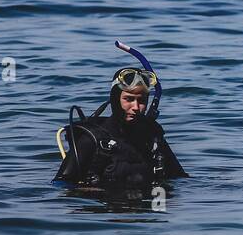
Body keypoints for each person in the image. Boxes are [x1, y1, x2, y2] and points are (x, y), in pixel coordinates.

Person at [54, 66, 187, 189]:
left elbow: (180, 178)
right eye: (128, 99)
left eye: (141, 101)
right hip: (105, 211)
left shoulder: (152, 137)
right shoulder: (92, 139)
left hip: (147, 211)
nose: (135, 107)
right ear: (115, 99)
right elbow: (60, 183)